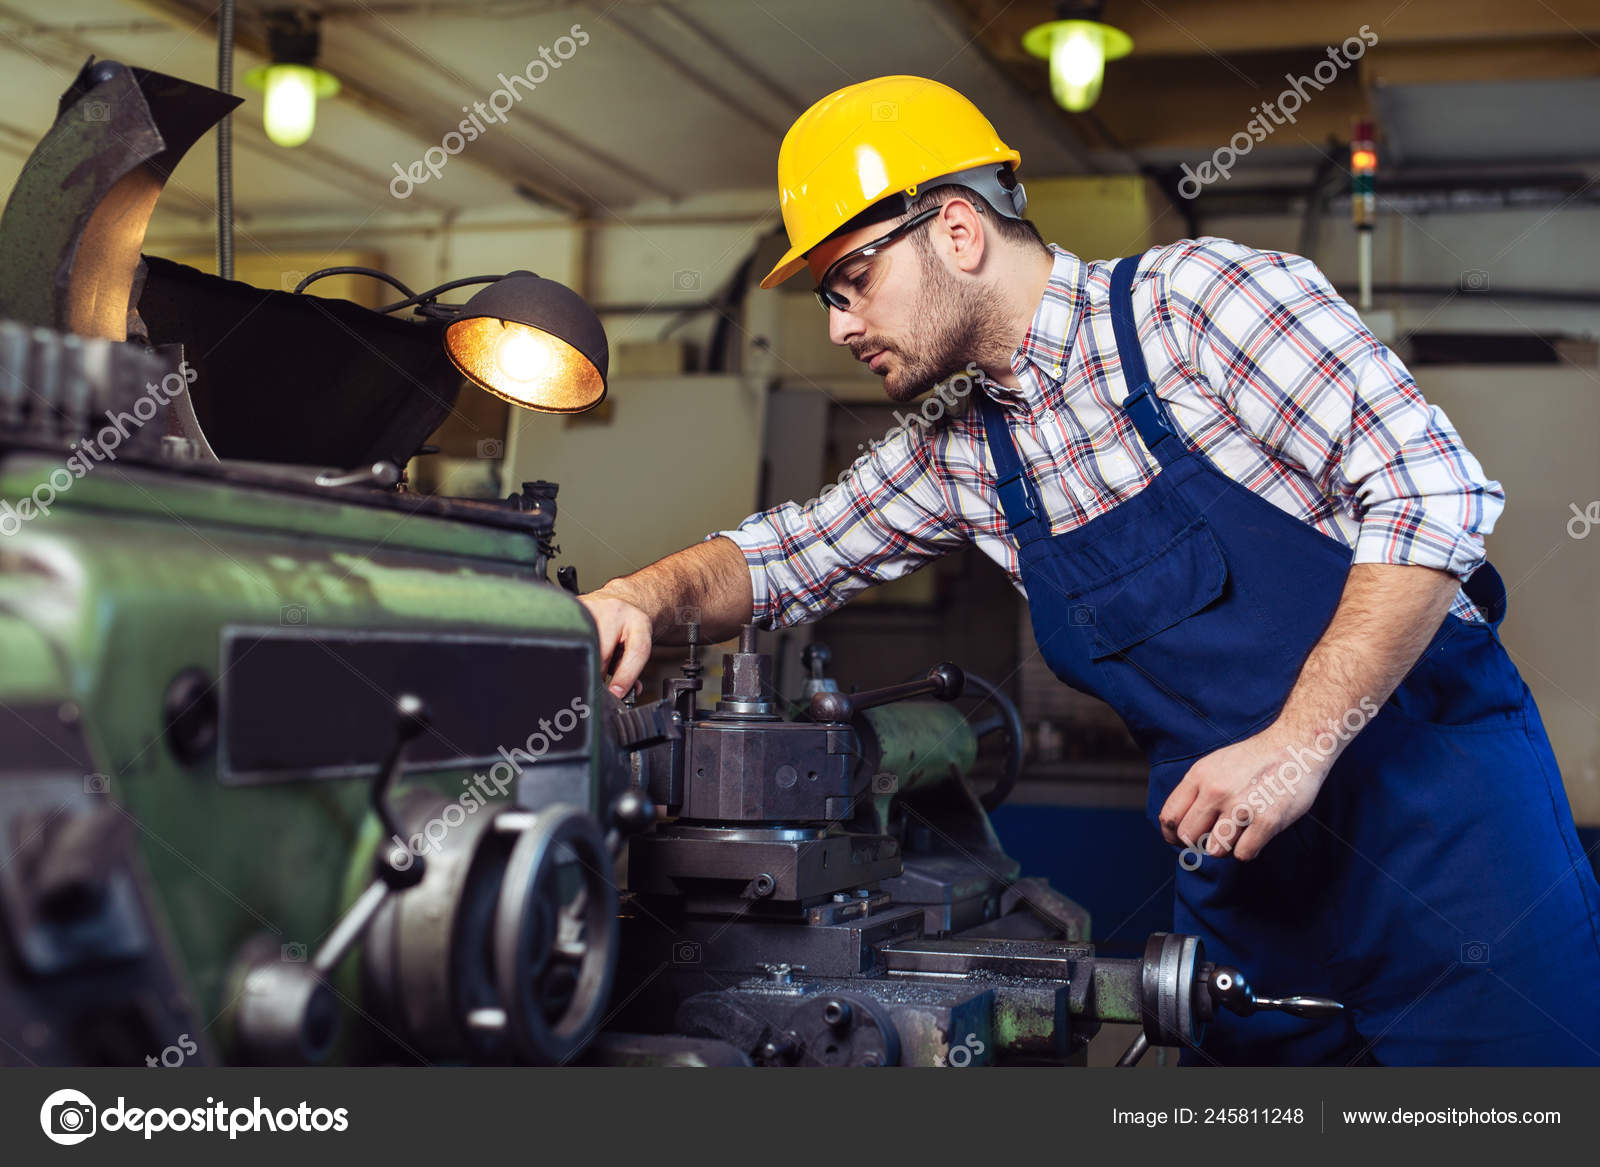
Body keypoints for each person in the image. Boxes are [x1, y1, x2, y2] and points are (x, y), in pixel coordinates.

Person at [578, 75, 1600, 1065]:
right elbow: (782, 556)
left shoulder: (1198, 306)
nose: (840, 324)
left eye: (853, 282)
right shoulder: (961, 452)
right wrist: (639, 596)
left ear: (957, 231)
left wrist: (1296, 743)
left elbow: (1434, 494)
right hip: (1247, 872)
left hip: (1446, 836)